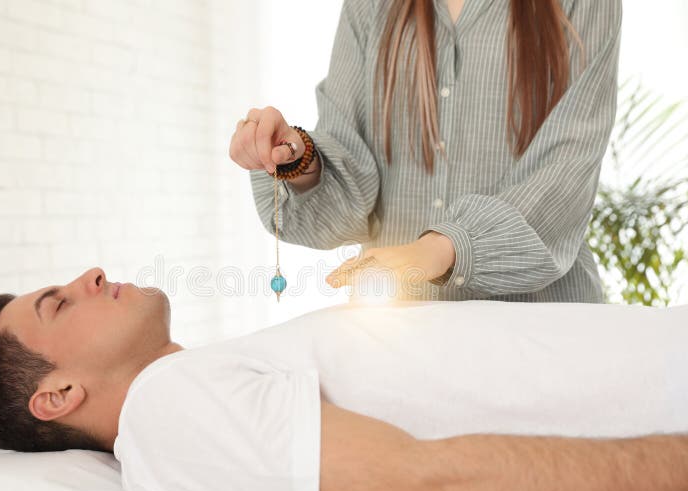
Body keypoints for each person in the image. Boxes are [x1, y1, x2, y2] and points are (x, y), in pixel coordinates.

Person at [0, 267, 688, 491]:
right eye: (60, 305)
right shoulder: (166, 413)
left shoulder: (185, 392)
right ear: (59, 395)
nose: (90, 275)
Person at [229, 0, 621, 302]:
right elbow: (348, 194)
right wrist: (298, 160)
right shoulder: (371, 7)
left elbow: (567, 167)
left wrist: (440, 249)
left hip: (539, 336)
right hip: (395, 342)